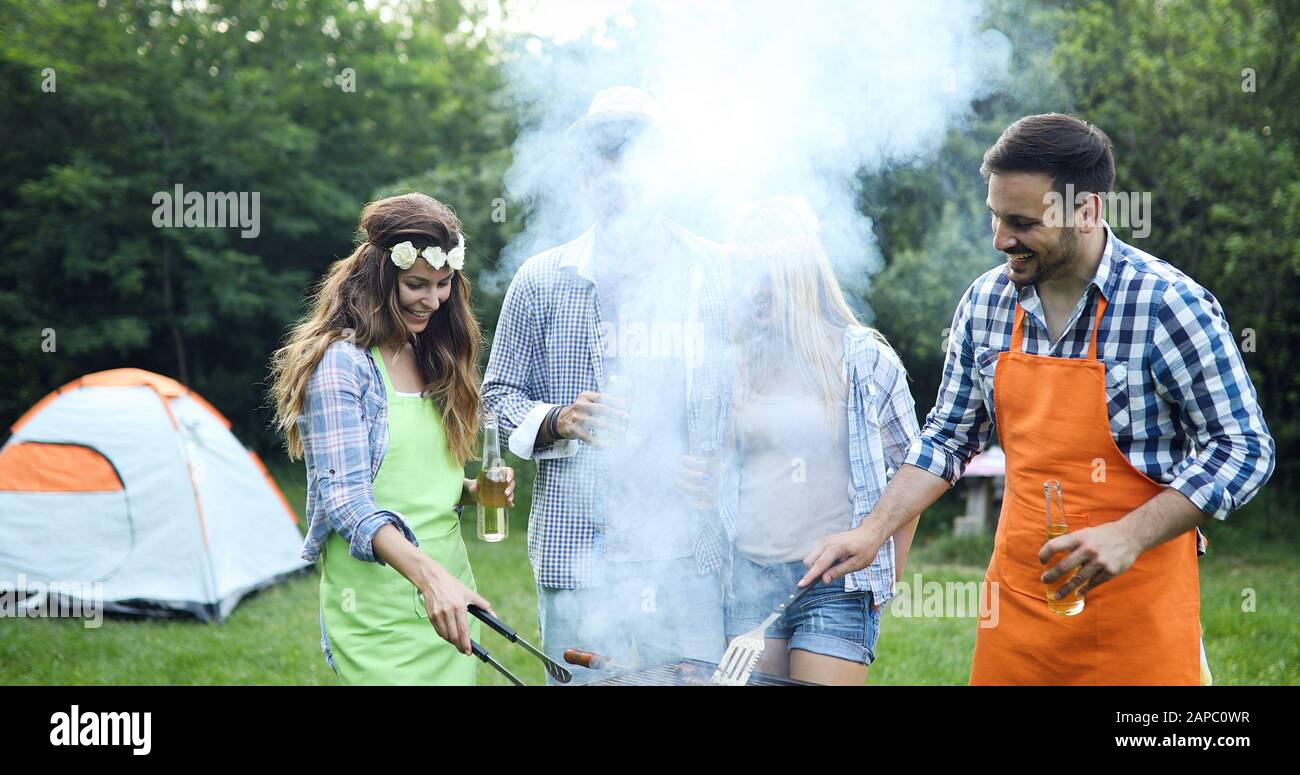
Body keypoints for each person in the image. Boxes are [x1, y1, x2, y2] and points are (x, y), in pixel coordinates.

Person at [800, 113, 1274, 685]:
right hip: (1020, 605)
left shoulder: (1168, 306)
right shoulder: (986, 303)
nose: (1001, 239)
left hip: (1140, 610)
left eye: (1021, 223)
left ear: (1087, 212)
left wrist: (1127, 535)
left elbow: (1244, 448)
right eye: (996, 217)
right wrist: (872, 530)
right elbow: (950, 437)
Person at [482, 87, 729, 682]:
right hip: (578, 553)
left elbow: (755, 396)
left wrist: (727, 466)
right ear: (583, 178)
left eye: (631, 167)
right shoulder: (542, 279)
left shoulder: (715, 272)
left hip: (686, 554)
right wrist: (556, 419)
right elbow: (496, 397)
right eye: (601, 169)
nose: (616, 184)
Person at [269, 192, 514, 685]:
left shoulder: (431, 350)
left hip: (451, 595)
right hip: (379, 606)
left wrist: (469, 489)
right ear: (381, 279)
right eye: (416, 285)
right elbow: (346, 498)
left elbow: (408, 477)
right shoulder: (341, 362)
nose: (433, 300)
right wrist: (428, 578)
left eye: (444, 285)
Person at [681, 197, 920, 685]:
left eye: (764, 277)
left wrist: (887, 574)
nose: (752, 294)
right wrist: (702, 483)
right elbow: (720, 474)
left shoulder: (865, 361)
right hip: (748, 578)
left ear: (798, 275)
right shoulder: (731, 366)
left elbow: (914, 472)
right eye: (743, 278)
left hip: (836, 582)